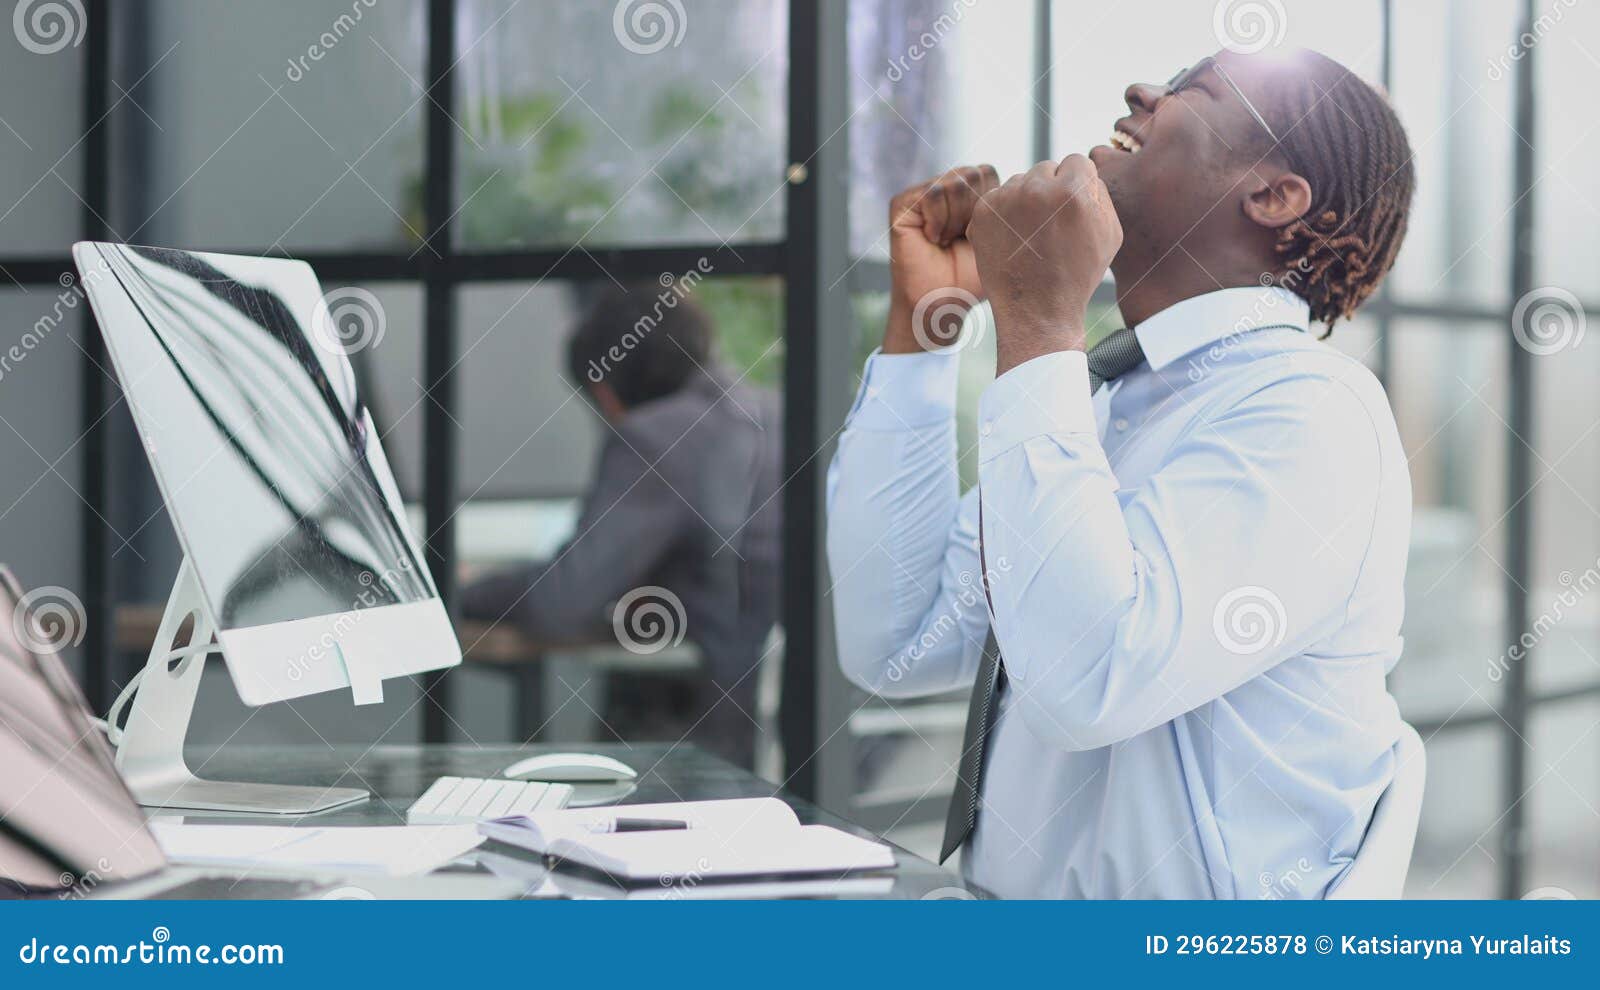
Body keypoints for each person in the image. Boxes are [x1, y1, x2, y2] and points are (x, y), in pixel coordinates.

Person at [827, 48, 1417, 898]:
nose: (1142, 91)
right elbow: (896, 638)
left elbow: (1087, 679)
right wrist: (925, 329)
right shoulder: (1092, 404)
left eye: (1194, 92)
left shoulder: (1313, 412)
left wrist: (1035, 320)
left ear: (1274, 194)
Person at [462, 285, 782, 770]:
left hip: (696, 758)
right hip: (810, 742)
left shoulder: (657, 438)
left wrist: (461, 588)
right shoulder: (778, 415)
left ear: (606, 394)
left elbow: (561, 601)